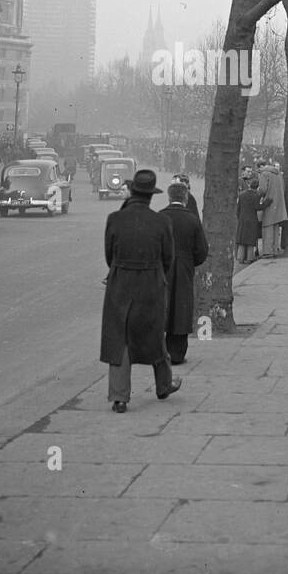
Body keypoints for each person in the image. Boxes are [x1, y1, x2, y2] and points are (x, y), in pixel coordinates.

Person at [100, 168, 182, 413]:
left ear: (133, 192)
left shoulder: (115, 219)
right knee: (155, 336)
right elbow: (169, 258)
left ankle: (119, 396)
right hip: (151, 284)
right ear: (150, 196)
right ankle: (164, 384)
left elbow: (109, 255)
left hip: (120, 284)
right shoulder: (162, 222)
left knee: (120, 339)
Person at [161, 181, 208, 365]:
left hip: (163, 268)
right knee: (181, 308)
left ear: (169, 197)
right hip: (184, 268)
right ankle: (178, 352)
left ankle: (161, 351)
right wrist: (190, 262)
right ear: (185, 197)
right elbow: (202, 250)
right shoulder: (192, 219)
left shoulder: (161, 217)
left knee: (163, 307)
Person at [257, 159, 287, 258]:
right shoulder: (279, 174)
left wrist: (258, 192)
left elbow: (263, 190)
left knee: (267, 227)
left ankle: (267, 252)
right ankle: (274, 250)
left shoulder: (264, 174)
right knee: (275, 228)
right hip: (279, 204)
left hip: (269, 204)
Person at [236, 177, 262, 263]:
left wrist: (239, 217)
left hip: (242, 219)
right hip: (252, 219)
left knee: (242, 239)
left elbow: (238, 209)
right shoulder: (256, 196)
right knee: (250, 240)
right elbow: (257, 207)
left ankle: (240, 257)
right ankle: (249, 258)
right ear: (257, 187)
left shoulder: (242, 195)